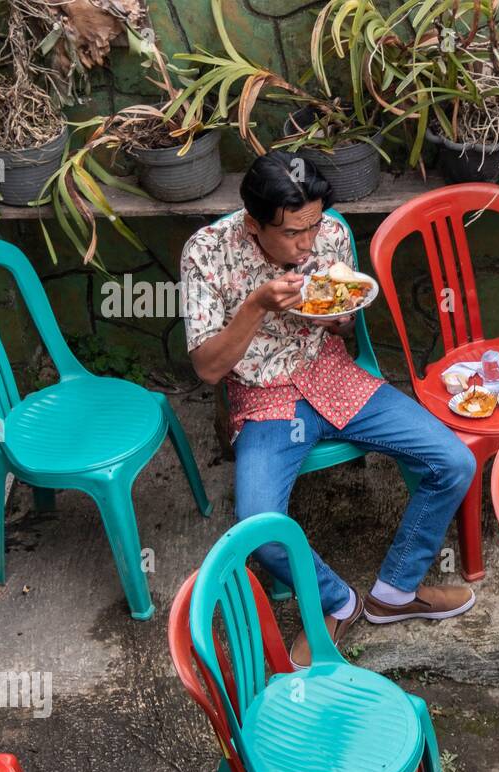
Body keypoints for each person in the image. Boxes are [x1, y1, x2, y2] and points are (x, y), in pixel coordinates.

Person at [181, 153, 477, 667]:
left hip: (333, 375)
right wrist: (255, 306)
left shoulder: (329, 235)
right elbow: (207, 369)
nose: (309, 243)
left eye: (316, 225)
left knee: (454, 462)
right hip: (266, 397)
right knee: (259, 526)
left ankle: (395, 591)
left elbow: (343, 322)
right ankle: (336, 599)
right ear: (254, 223)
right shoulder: (206, 253)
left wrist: (334, 319)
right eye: (295, 233)